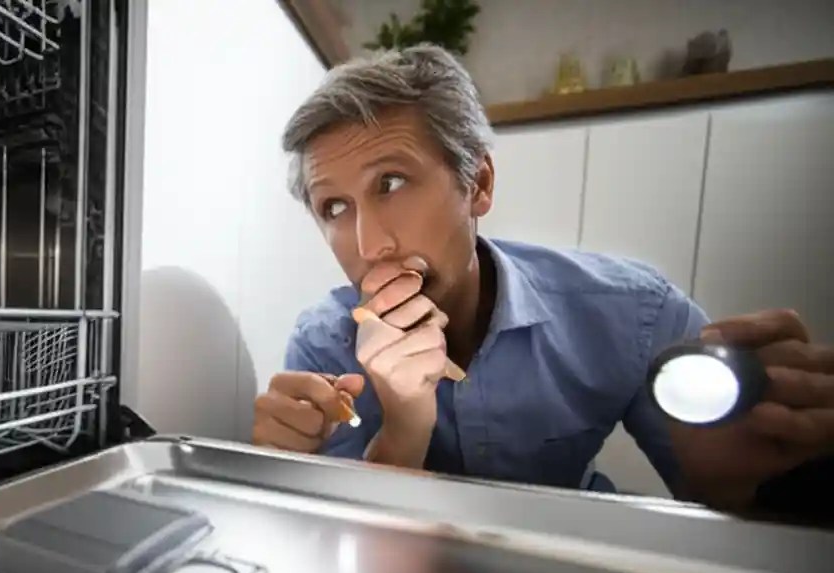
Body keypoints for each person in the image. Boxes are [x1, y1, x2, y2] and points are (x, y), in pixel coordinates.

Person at [251, 45, 833, 513]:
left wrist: (737, 490)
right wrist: (402, 426)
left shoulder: (634, 314)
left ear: (478, 184)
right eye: (334, 208)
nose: (369, 245)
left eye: (392, 183)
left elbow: (740, 520)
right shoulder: (324, 346)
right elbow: (350, 553)